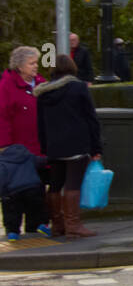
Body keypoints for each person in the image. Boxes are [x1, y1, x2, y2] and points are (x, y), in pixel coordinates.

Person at [35, 55, 103, 239]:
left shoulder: (43, 92)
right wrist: (96, 147)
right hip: (77, 144)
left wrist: (45, 147)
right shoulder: (78, 87)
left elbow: (40, 123)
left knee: (55, 185)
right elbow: (91, 119)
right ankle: (73, 225)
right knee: (73, 184)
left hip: (54, 146)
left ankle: (58, 225)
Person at [0, 46, 50, 236]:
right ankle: (13, 228)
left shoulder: (40, 83)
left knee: (36, 188)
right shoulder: (6, 86)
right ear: (20, 66)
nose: (36, 66)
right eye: (32, 63)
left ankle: (35, 224)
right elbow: (2, 116)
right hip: (16, 150)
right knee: (15, 189)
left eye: (36, 62)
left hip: (38, 146)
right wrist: (4, 145)